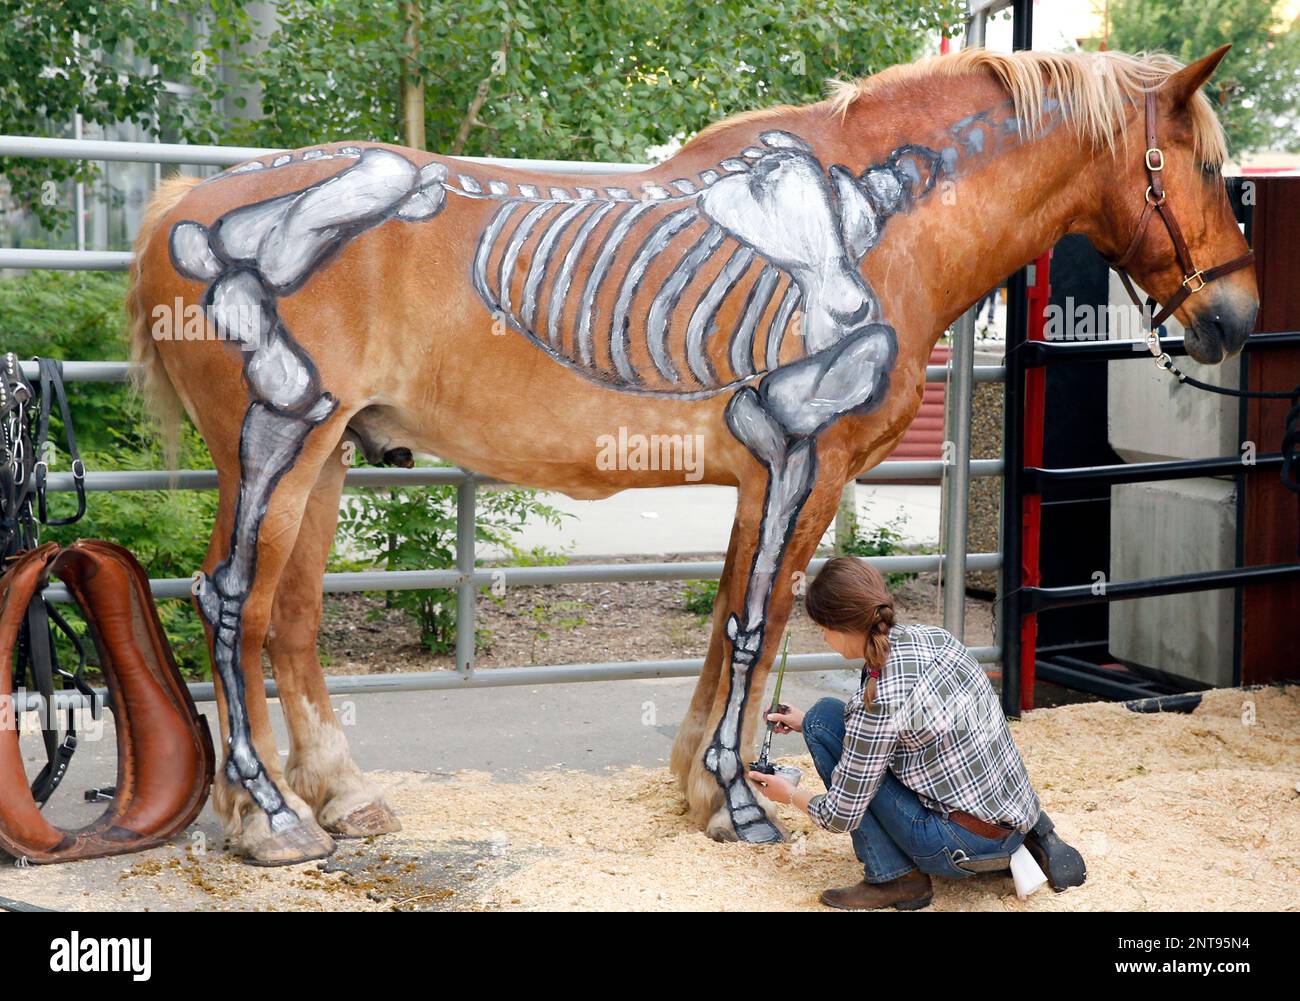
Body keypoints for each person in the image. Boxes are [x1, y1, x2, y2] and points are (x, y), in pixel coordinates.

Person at [747, 557, 1041, 910]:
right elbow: (908, 727)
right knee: (821, 717)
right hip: (1016, 823)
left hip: (958, 845)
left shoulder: (878, 701)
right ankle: (1037, 840)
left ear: (838, 626)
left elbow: (841, 815)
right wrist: (806, 719)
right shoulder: (933, 638)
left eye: (822, 628)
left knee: (825, 724)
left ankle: (896, 880)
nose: (824, 638)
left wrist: (790, 794)